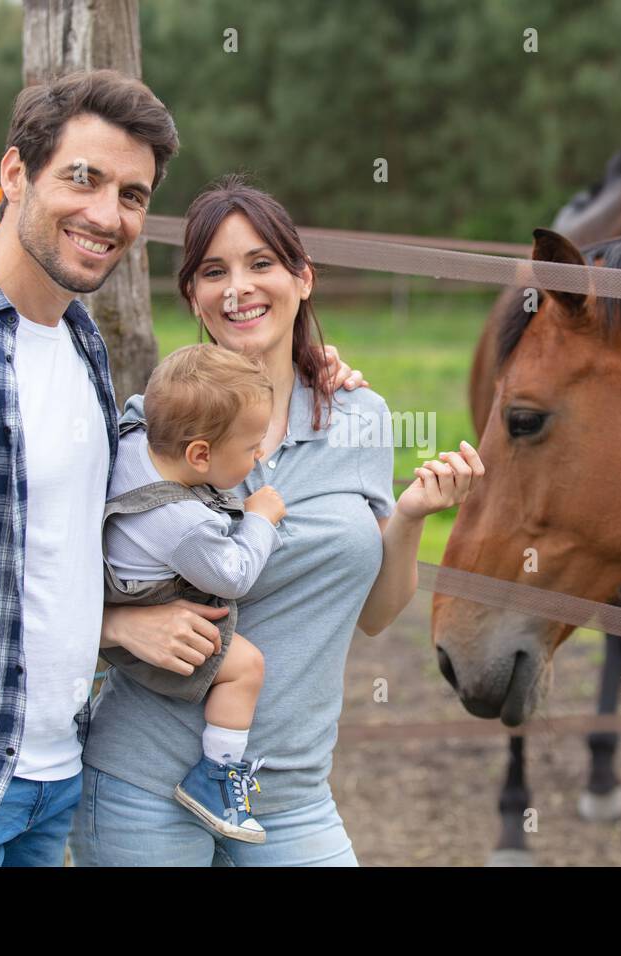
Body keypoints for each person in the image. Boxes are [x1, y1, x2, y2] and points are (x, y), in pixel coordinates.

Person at [0, 69, 365, 866]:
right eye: (83, 178)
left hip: (50, 784)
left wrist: (306, 365)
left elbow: (62, 551)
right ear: (15, 174)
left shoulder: (82, 345)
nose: (107, 214)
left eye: (132, 195)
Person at [70, 175, 485, 867]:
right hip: (141, 782)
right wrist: (116, 626)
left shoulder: (361, 419)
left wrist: (411, 516)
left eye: (260, 263)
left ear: (303, 278)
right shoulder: (151, 431)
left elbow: (376, 615)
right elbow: (60, 572)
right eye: (214, 271)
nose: (238, 288)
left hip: (291, 794)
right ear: (193, 297)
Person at [100, 344, 289, 841]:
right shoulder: (186, 525)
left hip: (119, 590)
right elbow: (234, 575)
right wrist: (260, 519)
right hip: (154, 619)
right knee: (246, 667)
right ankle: (216, 777)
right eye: (250, 449)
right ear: (200, 455)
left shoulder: (133, 437)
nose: (258, 455)